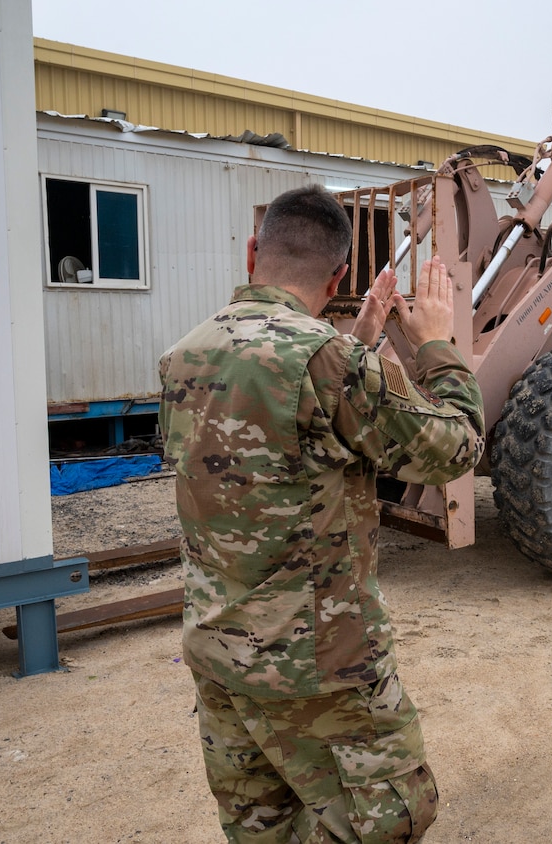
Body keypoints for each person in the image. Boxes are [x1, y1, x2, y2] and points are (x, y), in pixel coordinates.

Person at [158, 184, 485, 843]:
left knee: (264, 829)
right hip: (318, 668)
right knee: (393, 816)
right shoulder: (330, 364)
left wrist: (359, 343)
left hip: (220, 658)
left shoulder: (184, 355)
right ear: (338, 275)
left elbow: (290, 434)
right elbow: (456, 446)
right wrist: (438, 344)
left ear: (254, 251)